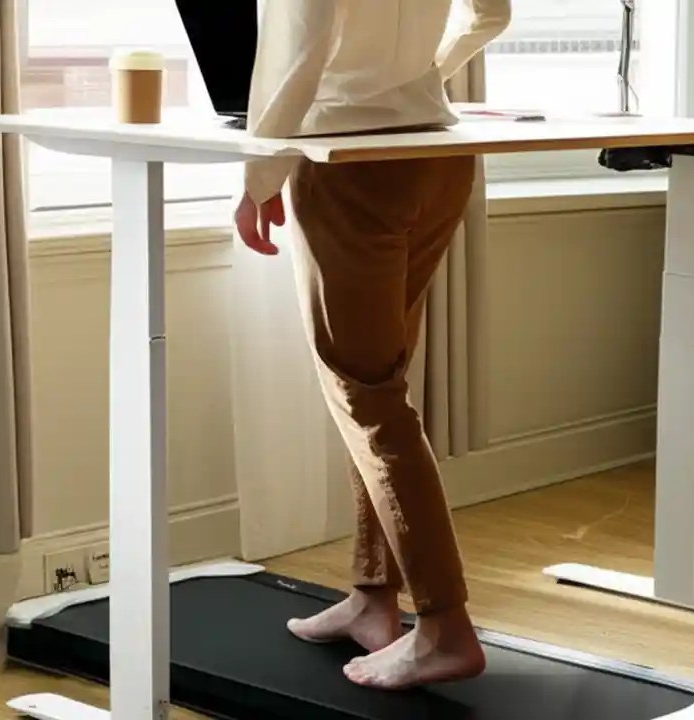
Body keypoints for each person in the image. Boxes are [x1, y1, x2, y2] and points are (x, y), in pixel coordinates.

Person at [233, 0, 512, 692]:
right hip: (436, 153)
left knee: (365, 393)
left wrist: (258, 176)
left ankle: (445, 626)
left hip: (350, 159)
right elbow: (491, 13)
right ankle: (372, 597)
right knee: (382, 381)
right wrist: (411, 79)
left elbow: (307, 47)